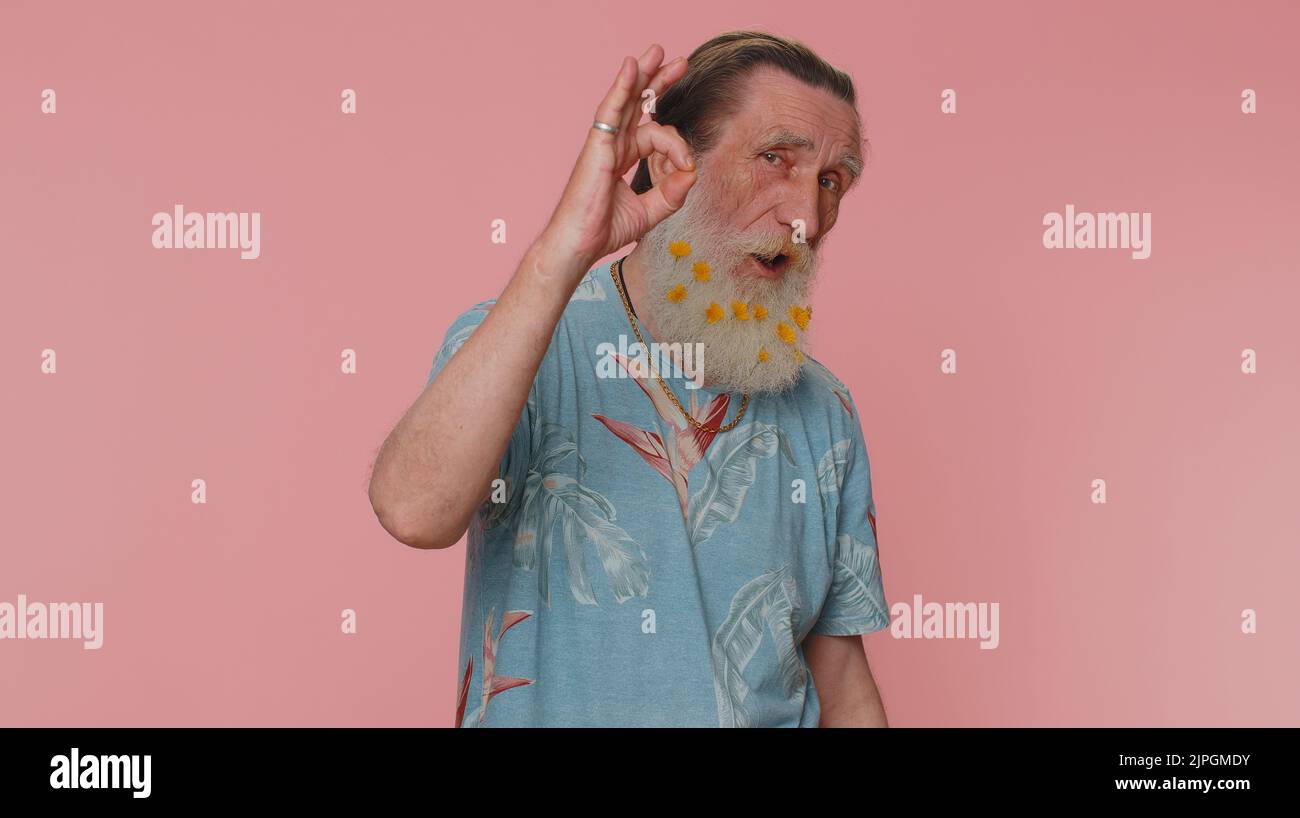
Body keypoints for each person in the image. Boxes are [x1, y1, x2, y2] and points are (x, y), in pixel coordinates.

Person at [368, 31, 889, 727]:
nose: (808, 219)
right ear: (674, 156)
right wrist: (568, 246)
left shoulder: (825, 409)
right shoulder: (523, 343)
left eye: (831, 181)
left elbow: (840, 674)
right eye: (776, 160)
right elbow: (413, 510)